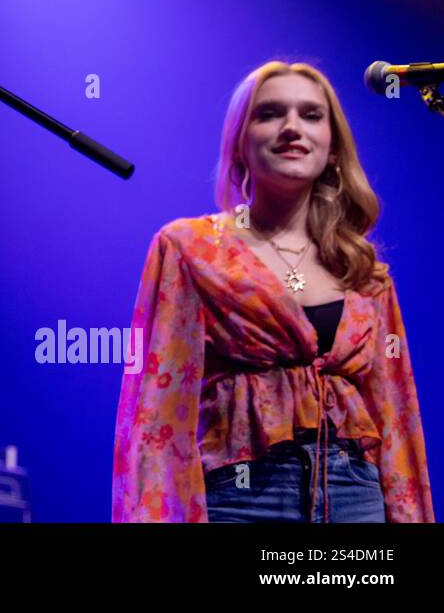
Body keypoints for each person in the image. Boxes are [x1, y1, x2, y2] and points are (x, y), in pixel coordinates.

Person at [112, 60, 432, 522]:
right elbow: (154, 416)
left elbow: (397, 416)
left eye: (311, 115)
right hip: (243, 497)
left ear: (334, 147)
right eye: (270, 114)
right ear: (240, 144)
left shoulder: (363, 270)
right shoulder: (191, 248)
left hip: (356, 496)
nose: (291, 128)